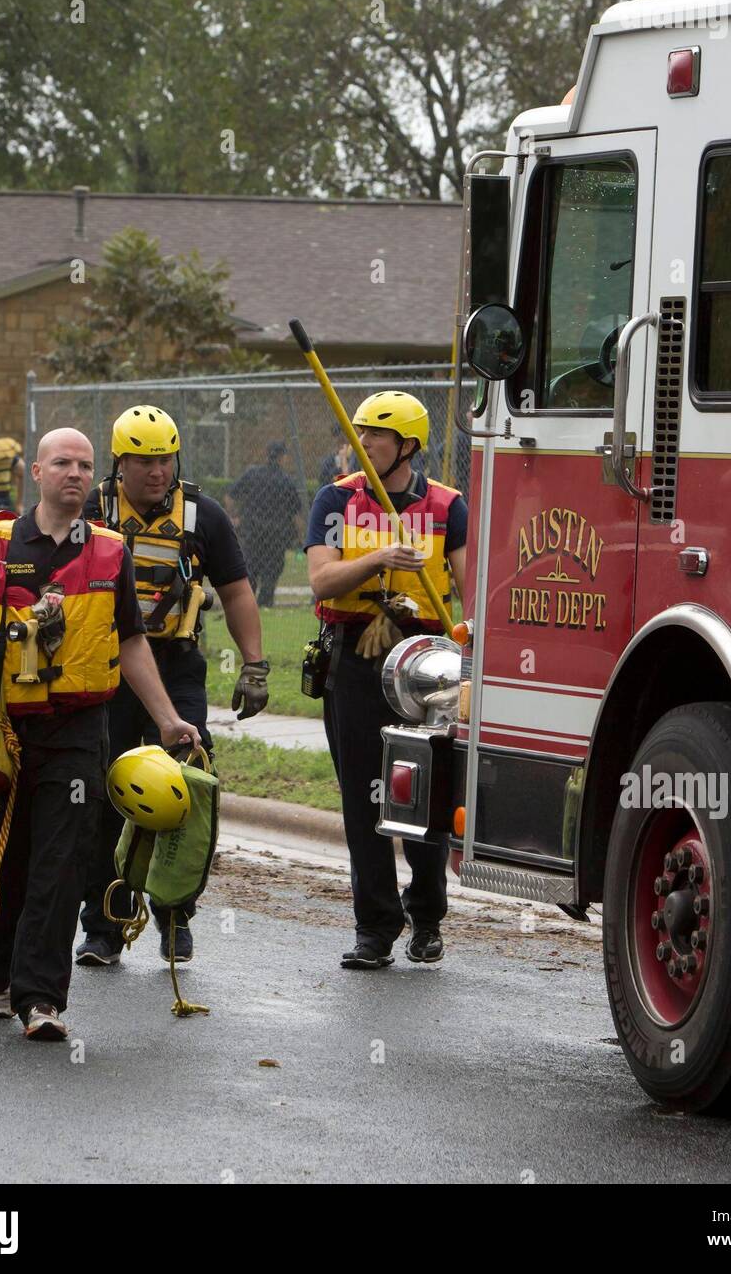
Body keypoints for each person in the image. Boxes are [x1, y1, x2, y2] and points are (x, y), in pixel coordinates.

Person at [0, 427, 201, 1041]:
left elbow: (130, 640)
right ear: (38, 475)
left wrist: (165, 717)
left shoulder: (109, 551)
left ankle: (40, 1000)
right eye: (61, 464)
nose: (74, 473)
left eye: (84, 465)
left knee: (61, 861)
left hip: (76, 730)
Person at [75, 404, 268, 967]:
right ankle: (104, 927)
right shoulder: (92, 511)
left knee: (183, 789)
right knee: (108, 795)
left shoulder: (202, 515)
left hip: (177, 667)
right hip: (104, 668)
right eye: (144, 461)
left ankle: (175, 916)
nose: (157, 472)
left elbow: (236, 592)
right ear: (120, 462)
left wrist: (254, 666)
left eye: (165, 460)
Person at [304, 392, 467, 970]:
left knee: (423, 791)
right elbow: (322, 581)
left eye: (376, 434)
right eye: (360, 432)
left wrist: (469, 663)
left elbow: (469, 595)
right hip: (354, 659)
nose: (363, 443)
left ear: (408, 446)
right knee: (361, 794)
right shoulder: (335, 500)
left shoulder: (448, 506)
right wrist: (378, 561)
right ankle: (375, 927)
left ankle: (426, 917)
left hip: (426, 661)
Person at [227, 441, 302, 607]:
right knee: (271, 572)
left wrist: (233, 517)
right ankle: (265, 603)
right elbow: (296, 513)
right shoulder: (287, 481)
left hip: (252, 531)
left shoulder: (252, 474)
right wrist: (301, 536)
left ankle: (246, 603)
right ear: (282, 457)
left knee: (250, 569)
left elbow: (231, 495)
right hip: (276, 534)